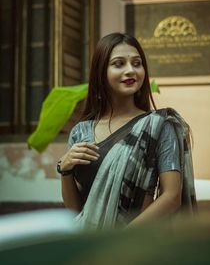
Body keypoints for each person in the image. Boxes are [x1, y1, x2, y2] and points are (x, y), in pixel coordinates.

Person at [57, 32, 196, 231]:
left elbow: (171, 196)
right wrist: (65, 170)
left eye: (137, 63)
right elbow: (76, 210)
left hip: (136, 245)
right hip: (90, 246)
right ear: (101, 72)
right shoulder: (81, 132)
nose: (131, 70)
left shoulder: (158, 125)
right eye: (119, 64)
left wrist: (121, 238)